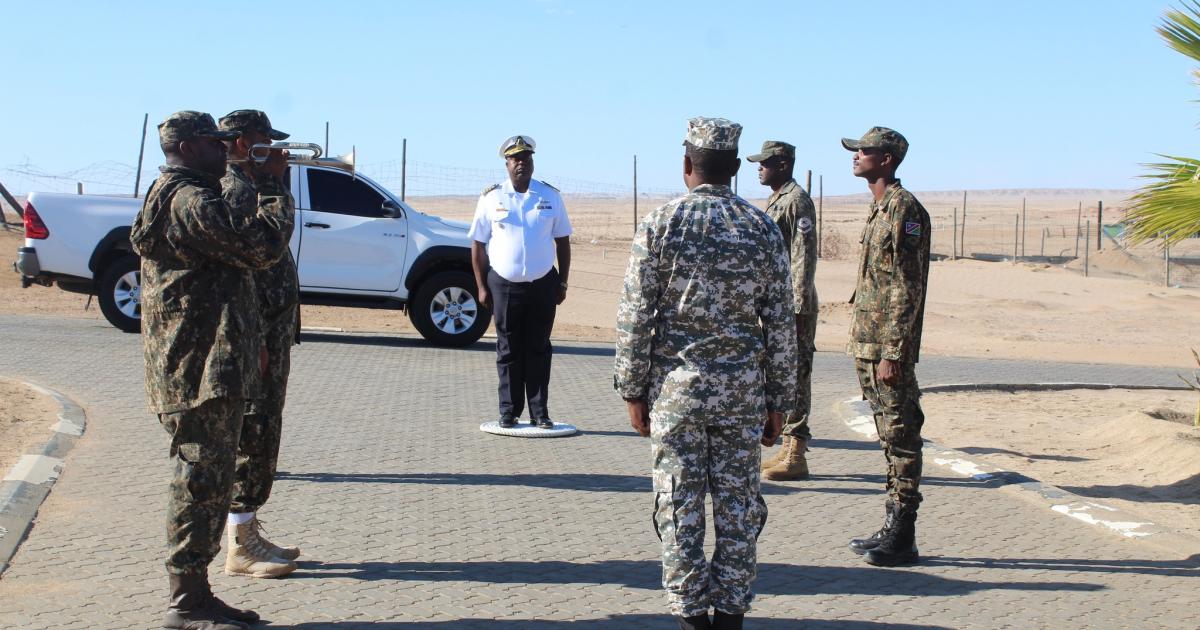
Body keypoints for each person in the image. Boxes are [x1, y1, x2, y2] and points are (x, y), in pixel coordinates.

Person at [614, 117, 798, 630]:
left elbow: (635, 316)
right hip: (741, 399)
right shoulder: (761, 228)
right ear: (735, 167)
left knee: (679, 509)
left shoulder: (661, 223)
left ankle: (691, 617)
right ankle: (731, 615)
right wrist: (780, 401)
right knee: (739, 510)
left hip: (676, 397)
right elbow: (781, 324)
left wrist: (632, 390)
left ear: (686, 164)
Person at [131, 111, 293, 630]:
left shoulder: (188, 194)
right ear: (189, 147)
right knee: (199, 482)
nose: (225, 150)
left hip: (204, 364)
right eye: (215, 143)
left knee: (208, 480)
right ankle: (187, 604)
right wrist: (275, 189)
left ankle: (195, 596)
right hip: (199, 368)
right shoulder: (190, 201)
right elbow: (262, 248)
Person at [841, 127, 931, 567]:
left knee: (901, 433)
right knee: (886, 434)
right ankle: (891, 525)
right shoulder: (879, 208)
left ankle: (903, 532)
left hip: (886, 347)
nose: (856, 156)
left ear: (888, 159)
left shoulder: (904, 209)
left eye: (865, 150)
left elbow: (907, 286)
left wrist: (893, 352)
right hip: (868, 341)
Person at [217, 109, 301, 579]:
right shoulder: (236, 190)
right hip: (255, 336)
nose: (274, 147)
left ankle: (247, 529)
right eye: (264, 138)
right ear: (241, 141)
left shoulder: (249, 185)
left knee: (263, 432)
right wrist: (274, 182)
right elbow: (250, 263)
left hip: (268, 331)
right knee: (253, 434)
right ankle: (240, 545)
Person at [469, 135, 572, 429]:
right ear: (507, 163)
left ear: (532, 162)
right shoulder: (491, 197)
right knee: (508, 348)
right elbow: (478, 244)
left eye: (526, 158)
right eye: (515, 159)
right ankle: (509, 411)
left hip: (542, 283)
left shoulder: (549, 196)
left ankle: (540, 412)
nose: (521, 163)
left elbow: (563, 242)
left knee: (538, 347)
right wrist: (481, 286)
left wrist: (562, 283)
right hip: (503, 284)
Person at [747, 140, 819, 481]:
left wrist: (798, 309)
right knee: (782, 374)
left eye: (765, 162)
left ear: (784, 164)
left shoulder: (796, 200)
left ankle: (796, 453)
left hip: (793, 306)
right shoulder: (777, 199)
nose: (759, 168)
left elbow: (804, 256)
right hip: (777, 304)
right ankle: (786, 447)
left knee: (797, 375)